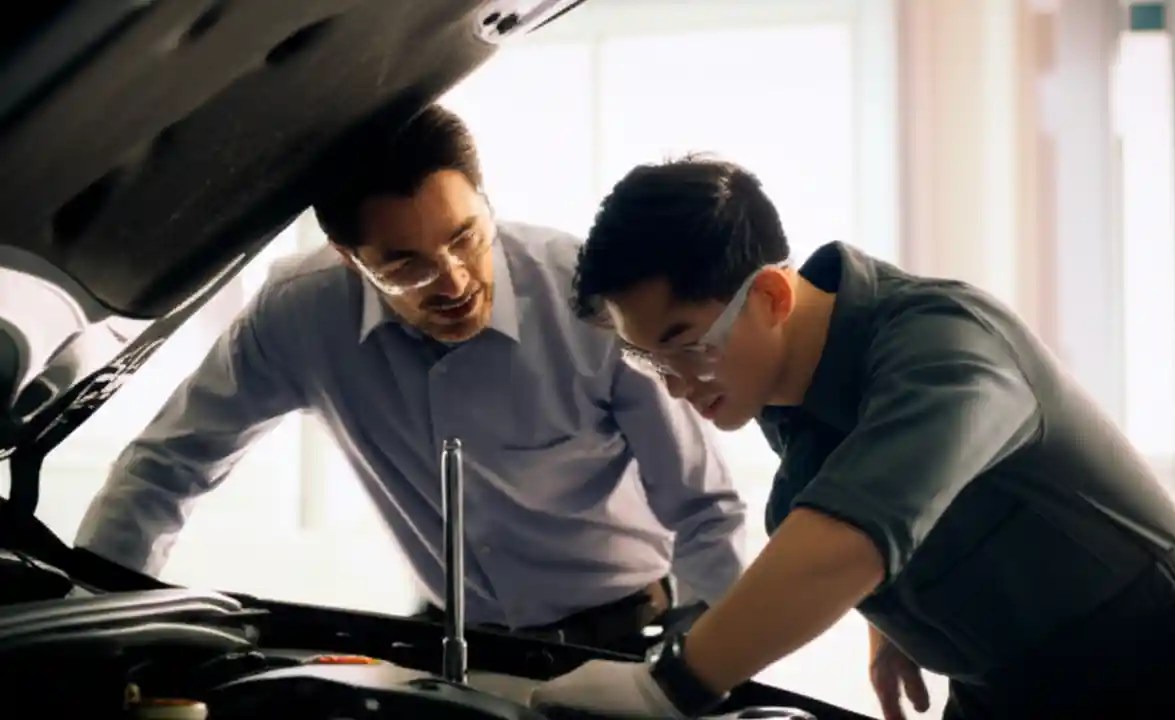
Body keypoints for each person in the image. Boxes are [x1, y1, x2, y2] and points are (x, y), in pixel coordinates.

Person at [529, 155, 1175, 718]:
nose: (672, 383)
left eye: (684, 343)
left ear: (772, 296)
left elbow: (852, 533)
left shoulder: (946, 345)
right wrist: (895, 620)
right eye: (647, 358)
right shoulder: (798, 414)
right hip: (1001, 685)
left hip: (1159, 678)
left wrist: (665, 690)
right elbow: (892, 514)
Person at [73, 106, 748, 655]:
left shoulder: (593, 302)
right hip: (451, 648)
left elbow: (705, 510)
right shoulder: (300, 315)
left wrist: (703, 671)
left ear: (486, 201)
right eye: (405, 266)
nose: (453, 280)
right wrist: (96, 625)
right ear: (348, 257)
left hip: (629, 642)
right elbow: (165, 468)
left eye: (465, 237)